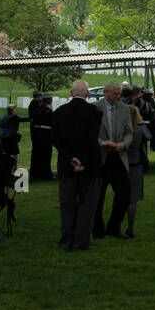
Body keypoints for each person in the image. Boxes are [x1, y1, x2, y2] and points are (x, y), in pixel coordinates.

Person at [51, 80, 103, 252]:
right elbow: (91, 140)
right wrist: (83, 162)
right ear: (87, 93)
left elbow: (56, 140)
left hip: (67, 166)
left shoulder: (59, 112)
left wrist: (71, 159)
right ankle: (81, 242)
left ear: (71, 92)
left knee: (67, 206)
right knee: (87, 206)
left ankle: (66, 241)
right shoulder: (94, 112)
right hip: (89, 167)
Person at [93, 81, 134, 239]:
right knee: (98, 195)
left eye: (120, 94)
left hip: (118, 156)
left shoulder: (124, 109)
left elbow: (129, 132)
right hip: (101, 157)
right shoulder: (95, 108)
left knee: (125, 192)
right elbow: (90, 133)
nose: (119, 96)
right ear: (106, 92)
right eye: (116, 94)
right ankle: (97, 229)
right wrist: (102, 143)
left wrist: (123, 144)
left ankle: (114, 227)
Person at [125, 103, 151, 238]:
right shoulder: (140, 129)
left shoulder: (122, 128)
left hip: (123, 163)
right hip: (136, 163)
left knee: (121, 197)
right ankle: (130, 227)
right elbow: (149, 136)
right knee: (132, 199)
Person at [28, 92, 55, 180]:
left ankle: (37, 173)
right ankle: (47, 174)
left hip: (39, 134)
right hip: (45, 135)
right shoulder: (46, 110)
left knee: (40, 155)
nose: (52, 100)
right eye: (50, 99)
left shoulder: (40, 109)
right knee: (46, 155)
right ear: (47, 100)